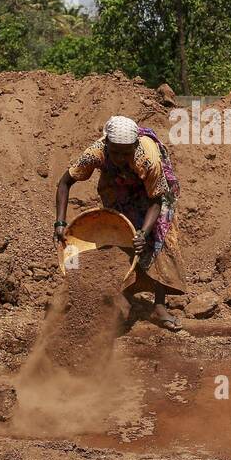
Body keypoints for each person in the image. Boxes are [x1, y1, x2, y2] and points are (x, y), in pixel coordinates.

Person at [54, 115, 185, 328]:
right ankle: (121, 298)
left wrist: (143, 232)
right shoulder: (94, 153)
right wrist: (60, 223)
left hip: (156, 194)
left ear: (135, 145)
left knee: (160, 240)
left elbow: (156, 200)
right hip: (119, 187)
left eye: (126, 153)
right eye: (115, 152)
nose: (120, 158)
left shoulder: (148, 159)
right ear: (107, 144)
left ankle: (160, 306)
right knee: (117, 235)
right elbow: (64, 182)